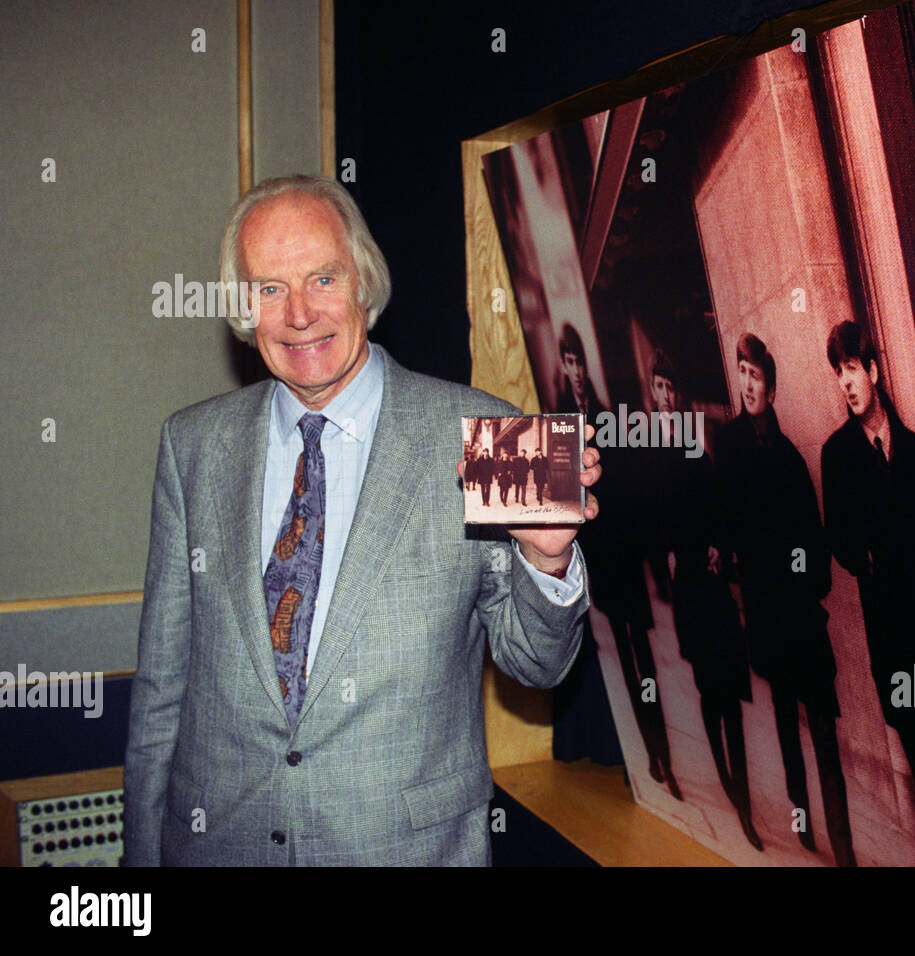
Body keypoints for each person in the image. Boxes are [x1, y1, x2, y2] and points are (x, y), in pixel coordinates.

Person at [123, 174, 601, 866]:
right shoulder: (192, 446)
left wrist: (547, 563)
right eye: (268, 289)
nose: (298, 314)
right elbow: (162, 688)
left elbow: (538, 665)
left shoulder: (489, 432)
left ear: (364, 284)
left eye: (322, 278)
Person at [819, 320, 915, 867]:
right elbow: (838, 538)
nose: (846, 383)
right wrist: (868, 557)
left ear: (874, 371)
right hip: (892, 632)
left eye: (853, 369)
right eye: (838, 373)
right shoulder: (837, 457)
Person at [715, 332, 857, 867]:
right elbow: (724, 521)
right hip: (767, 615)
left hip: (800, 616)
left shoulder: (794, 460)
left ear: (771, 391)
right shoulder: (727, 448)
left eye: (757, 377)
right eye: (742, 374)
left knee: (822, 729)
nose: (748, 385)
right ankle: (801, 822)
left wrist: (805, 581)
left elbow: (816, 546)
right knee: (782, 720)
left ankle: (844, 853)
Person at [553, 324, 678, 797]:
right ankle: (643, 750)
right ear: (564, 367)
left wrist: (649, 561)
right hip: (595, 561)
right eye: (569, 363)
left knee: (641, 653)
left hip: (624, 557)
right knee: (623, 658)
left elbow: (631, 495)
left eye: (580, 361)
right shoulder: (560, 424)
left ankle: (659, 749)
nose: (576, 371)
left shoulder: (607, 419)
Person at [646, 350, 761, 850]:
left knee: (730, 686)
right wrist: (666, 557)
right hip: (687, 584)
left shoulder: (696, 445)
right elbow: (654, 520)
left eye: (672, 388)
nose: (667, 397)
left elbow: (717, 503)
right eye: (659, 388)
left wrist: (720, 544)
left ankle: (745, 803)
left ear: (680, 393)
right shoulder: (652, 452)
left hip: (710, 580)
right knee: (708, 692)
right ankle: (729, 783)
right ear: (652, 394)